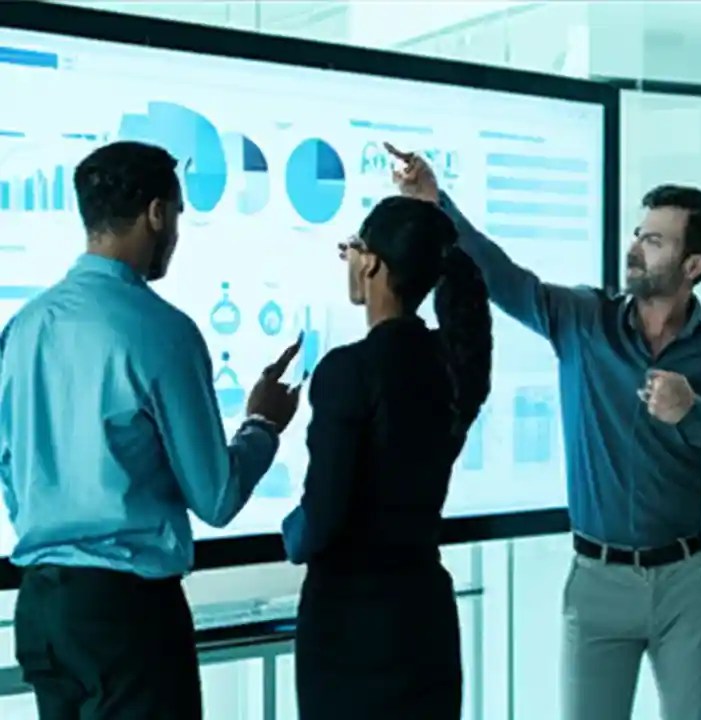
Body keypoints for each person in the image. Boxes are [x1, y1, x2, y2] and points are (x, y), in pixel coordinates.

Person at [386, 144, 701, 720]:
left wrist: (695, 414)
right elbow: (501, 277)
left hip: (689, 581)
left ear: (694, 266)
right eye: (637, 232)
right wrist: (438, 204)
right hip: (597, 583)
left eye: (654, 240)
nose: (634, 247)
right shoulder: (583, 321)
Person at [0, 141, 302, 719]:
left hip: (41, 608)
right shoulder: (162, 331)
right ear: (157, 214)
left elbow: (10, 466)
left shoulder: (24, 326)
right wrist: (262, 425)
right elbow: (215, 498)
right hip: (126, 617)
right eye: (180, 215)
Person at [281, 195, 492, 719]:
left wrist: (290, 533)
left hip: (351, 626)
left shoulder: (347, 371)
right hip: (424, 618)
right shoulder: (454, 365)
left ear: (371, 261)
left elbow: (322, 517)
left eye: (351, 247)